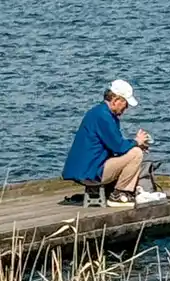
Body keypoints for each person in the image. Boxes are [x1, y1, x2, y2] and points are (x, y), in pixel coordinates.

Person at [62, 79, 151, 207]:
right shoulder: (104, 116)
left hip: (88, 168)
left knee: (134, 151)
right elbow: (119, 147)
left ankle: (119, 192)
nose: (126, 108)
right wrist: (137, 142)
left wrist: (134, 144)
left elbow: (114, 145)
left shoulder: (99, 112)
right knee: (136, 153)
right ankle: (120, 194)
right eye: (125, 104)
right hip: (91, 171)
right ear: (116, 101)